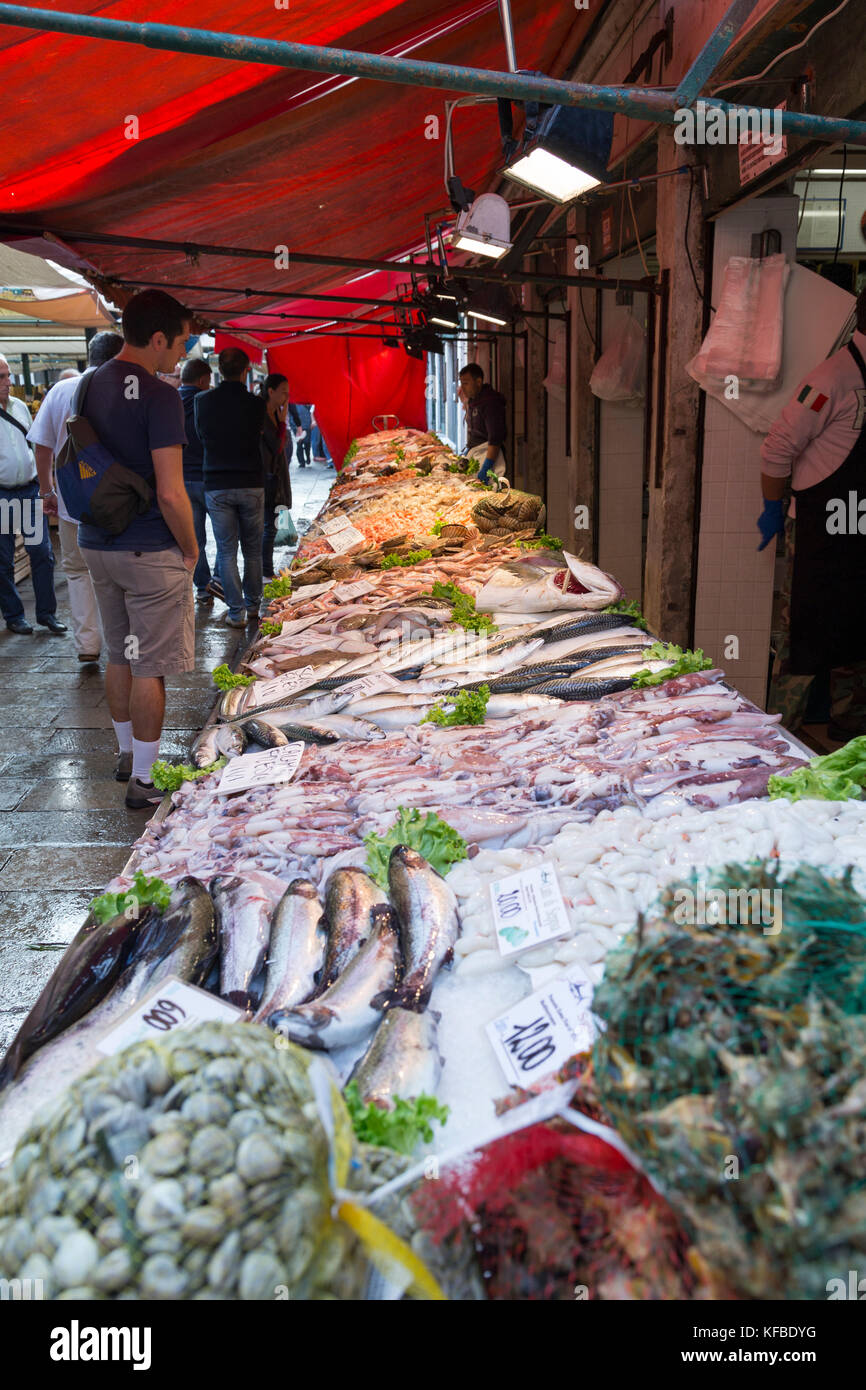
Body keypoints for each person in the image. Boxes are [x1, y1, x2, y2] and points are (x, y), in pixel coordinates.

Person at [76, 289, 198, 810]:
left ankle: (127, 755)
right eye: (181, 342)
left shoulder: (88, 384)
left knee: (122, 651)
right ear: (157, 338)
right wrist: (191, 550)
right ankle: (144, 783)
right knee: (151, 665)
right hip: (149, 551)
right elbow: (171, 492)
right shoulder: (160, 395)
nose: (183, 353)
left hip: (98, 544)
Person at [760, 286, 866, 741]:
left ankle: (849, 732)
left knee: (860, 630)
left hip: (861, 524)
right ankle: (778, 738)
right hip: (821, 529)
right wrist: (770, 507)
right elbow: (778, 448)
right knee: (803, 629)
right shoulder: (831, 380)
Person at [29, 331, 124, 663]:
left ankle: (87, 645)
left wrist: (46, 490)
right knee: (120, 573)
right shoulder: (128, 389)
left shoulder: (60, 390)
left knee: (78, 570)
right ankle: (123, 645)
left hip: (73, 502)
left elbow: (41, 447)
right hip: (121, 502)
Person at [195, 347, 266, 628]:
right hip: (251, 481)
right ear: (246, 369)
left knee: (226, 551)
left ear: (218, 369)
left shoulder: (203, 401)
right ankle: (253, 608)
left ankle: (235, 613)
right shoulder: (256, 404)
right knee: (252, 550)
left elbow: (202, 436)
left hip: (217, 482)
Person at [0, 353, 67, 637]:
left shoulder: (19, 407)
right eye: (1, 377)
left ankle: (46, 614)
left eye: (7, 375)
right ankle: (14, 616)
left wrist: (44, 486)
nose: (7, 382)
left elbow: (34, 445)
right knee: (3, 560)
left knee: (42, 553)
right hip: (1, 496)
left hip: (28, 492)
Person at [178, 358, 222, 605]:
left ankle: (204, 587)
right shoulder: (210, 402)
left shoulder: (170, 401)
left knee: (194, 539)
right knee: (225, 535)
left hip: (181, 480)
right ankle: (217, 580)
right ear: (204, 379)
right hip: (210, 478)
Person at [258, 374, 297, 581]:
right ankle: (265, 571)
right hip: (266, 478)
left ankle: (265, 569)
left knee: (271, 525)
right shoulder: (263, 415)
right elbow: (276, 446)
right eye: (283, 392)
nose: (286, 397)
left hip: (276, 476)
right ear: (270, 391)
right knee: (268, 527)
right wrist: (282, 423)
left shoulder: (274, 412)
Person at [458, 363, 507, 483]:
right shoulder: (474, 401)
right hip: (476, 455)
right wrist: (466, 454)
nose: (462, 388)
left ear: (478, 382)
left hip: (489, 457)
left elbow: (495, 439)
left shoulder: (490, 403)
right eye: (461, 383)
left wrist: (487, 467)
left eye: (466, 383)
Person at [293, 402, 312, 467]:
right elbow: (291, 415)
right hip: (297, 427)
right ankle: (302, 462)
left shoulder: (306, 401)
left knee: (307, 443)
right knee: (299, 445)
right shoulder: (293, 403)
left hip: (306, 425)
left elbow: (311, 410)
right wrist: (294, 427)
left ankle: (308, 457)